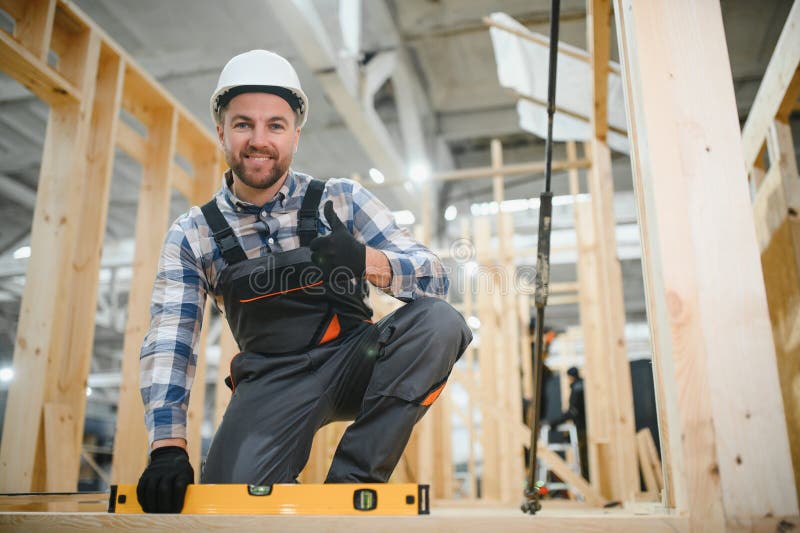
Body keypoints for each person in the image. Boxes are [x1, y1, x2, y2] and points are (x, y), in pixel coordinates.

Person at [135, 49, 472, 513]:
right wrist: (167, 446)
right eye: (242, 125)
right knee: (230, 509)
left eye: (275, 125)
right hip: (270, 381)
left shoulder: (342, 200)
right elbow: (171, 341)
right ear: (221, 132)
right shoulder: (193, 234)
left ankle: (350, 484)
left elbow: (435, 281)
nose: (259, 140)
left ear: (295, 134)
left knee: (438, 322)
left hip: (357, 361)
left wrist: (366, 259)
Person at [552, 367, 588, 479]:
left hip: (582, 428)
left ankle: (585, 485)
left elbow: (573, 411)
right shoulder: (583, 385)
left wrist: (555, 423)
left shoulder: (577, 388)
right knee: (585, 459)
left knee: (584, 459)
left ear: (570, 376)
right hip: (585, 426)